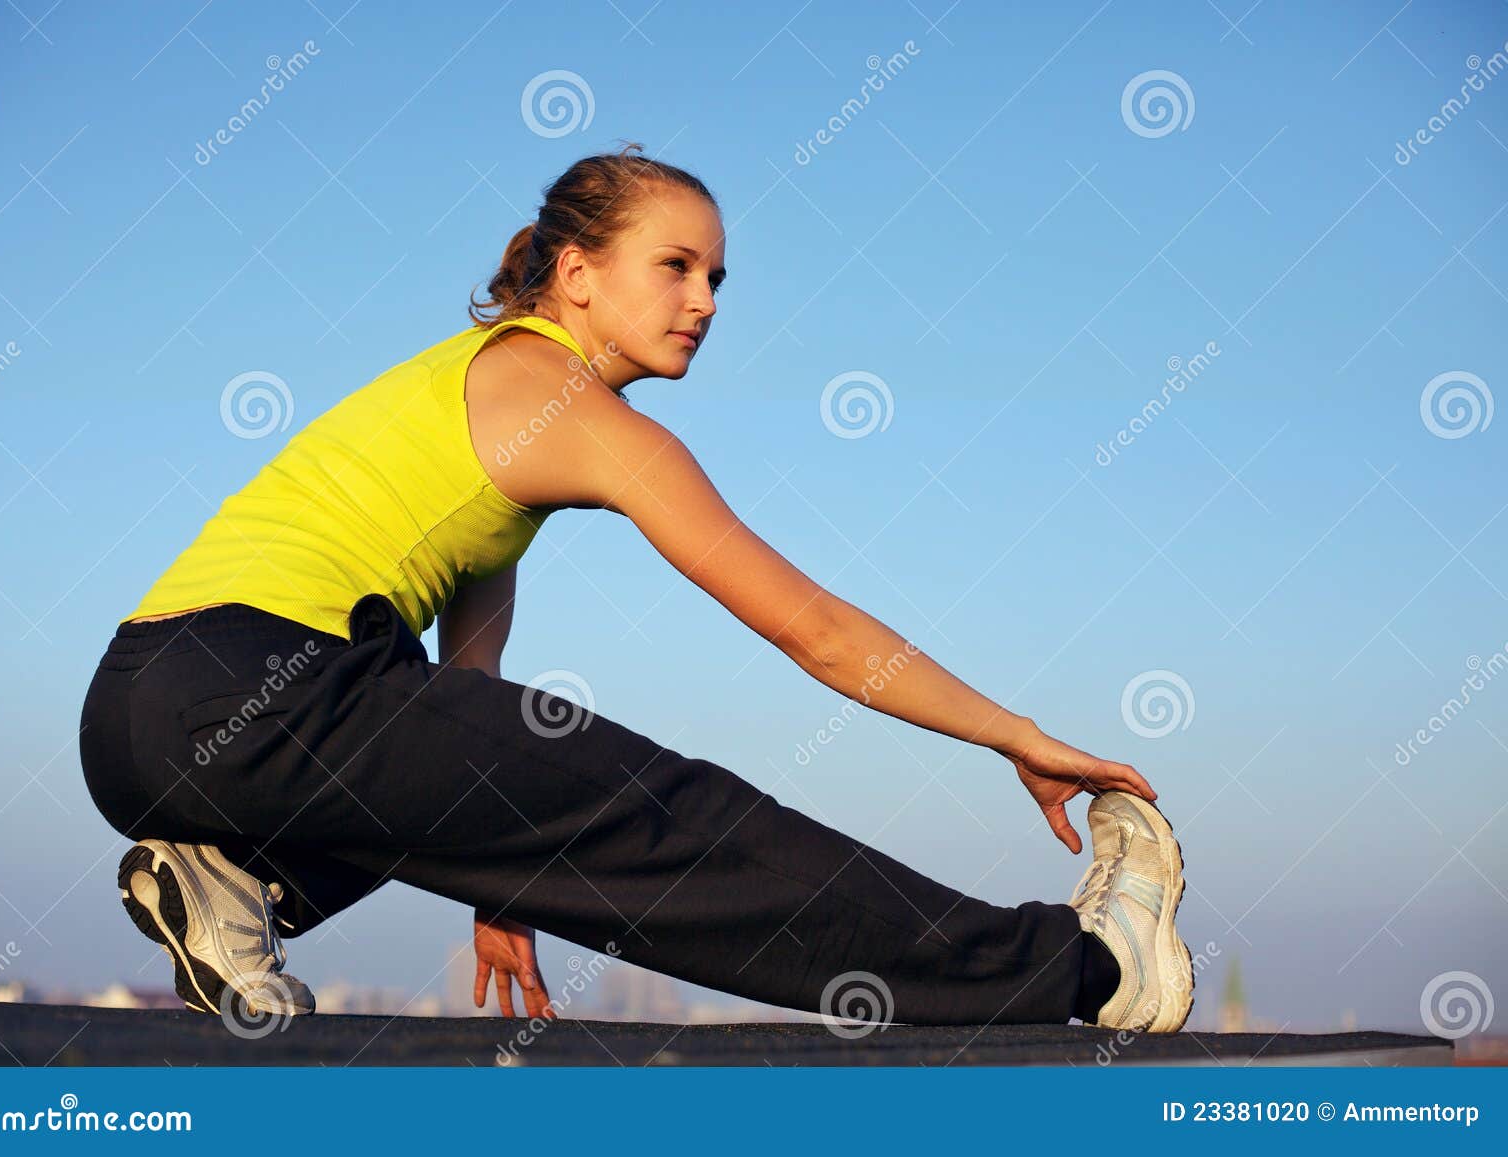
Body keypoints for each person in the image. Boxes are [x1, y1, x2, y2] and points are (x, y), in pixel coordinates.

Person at [78, 142, 1193, 1033]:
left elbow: (469, 705)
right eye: (675, 266)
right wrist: (1013, 735)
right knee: (670, 821)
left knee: (495, 736)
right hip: (260, 691)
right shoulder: (575, 411)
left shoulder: (470, 396)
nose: (704, 299)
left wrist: (506, 878)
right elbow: (816, 630)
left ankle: (235, 883)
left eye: (717, 277)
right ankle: (1094, 966)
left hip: (139, 713)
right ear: (575, 273)